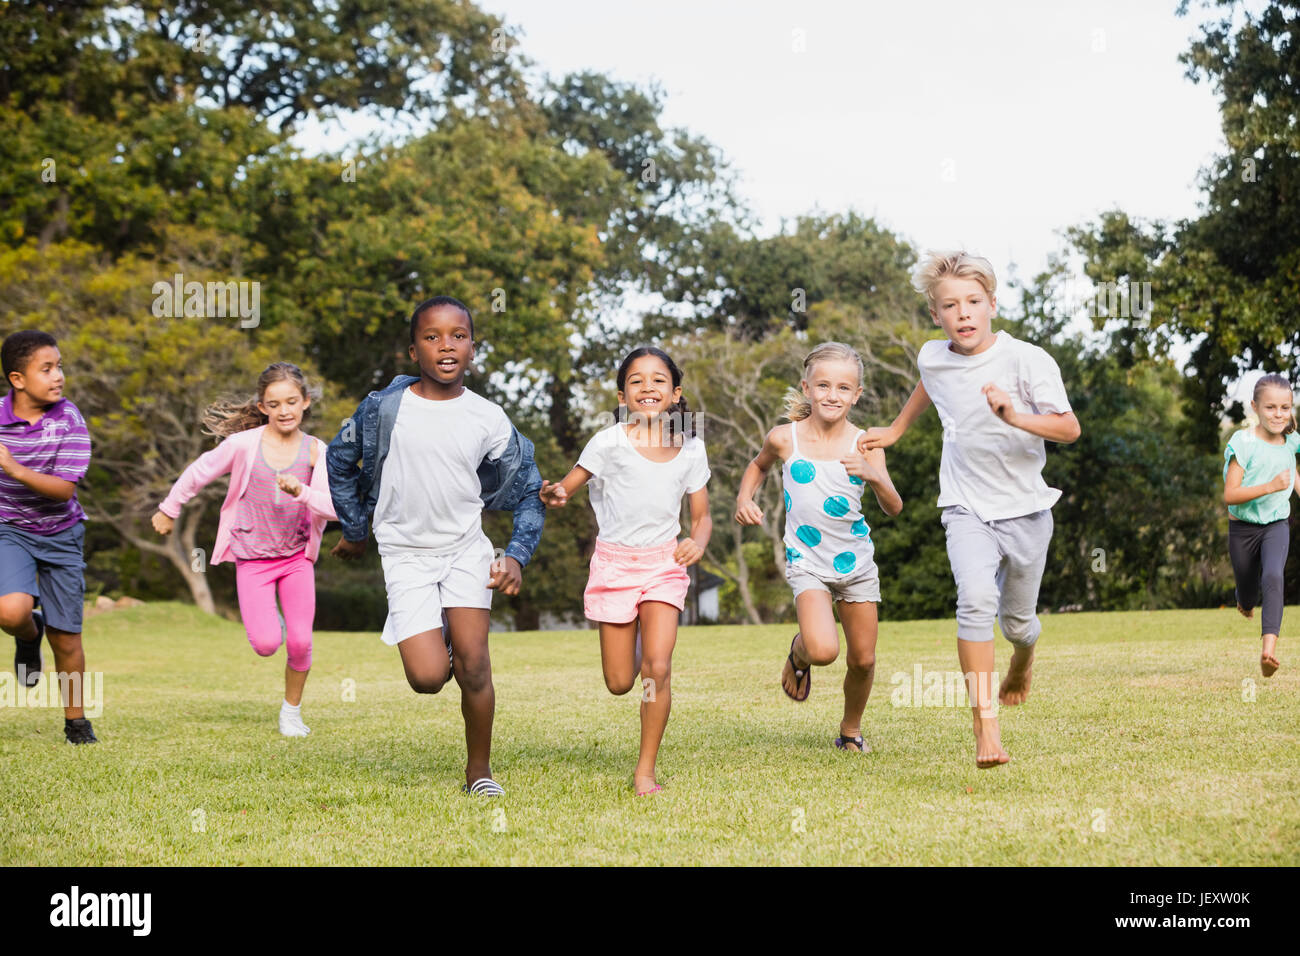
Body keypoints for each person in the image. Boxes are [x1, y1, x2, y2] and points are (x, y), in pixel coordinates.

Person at [863, 250, 1080, 768]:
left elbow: (1069, 429)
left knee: (1018, 625)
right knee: (975, 599)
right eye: (950, 305)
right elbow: (929, 386)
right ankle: (987, 730)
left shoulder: (1027, 359)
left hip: (1026, 510)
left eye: (973, 302)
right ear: (935, 315)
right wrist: (894, 430)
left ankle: (1024, 659)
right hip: (965, 506)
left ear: (992, 305)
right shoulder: (933, 355)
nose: (962, 313)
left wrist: (1014, 414)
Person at [327, 295, 544, 797]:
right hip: (405, 556)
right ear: (412, 350)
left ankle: (479, 773)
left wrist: (515, 555)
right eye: (432, 337)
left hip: (466, 550)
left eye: (458, 336)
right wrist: (356, 530)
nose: (446, 346)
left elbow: (530, 489)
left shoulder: (487, 417)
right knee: (427, 678)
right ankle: (443, 634)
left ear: (472, 348)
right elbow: (339, 462)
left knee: (475, 667)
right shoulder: (382, 409)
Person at [540, 347, 711, 796]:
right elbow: (567, 487)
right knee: (619, 682)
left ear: (675, 394)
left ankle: (645, 772)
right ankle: (635, 630)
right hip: (615, 566)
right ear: (622, 395)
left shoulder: (691, 447)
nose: (648, 388)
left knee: (658, 666)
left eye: (658, 381)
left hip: (664, 566)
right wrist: (554, 493)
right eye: (637, 381)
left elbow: (702, 515)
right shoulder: (607, 442)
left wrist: (698, 539)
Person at [735, 342, 901, 755]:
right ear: (806, 388)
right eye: (824, 385)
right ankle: (800, 650)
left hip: (856, 562)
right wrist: (744, 498)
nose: (833, 395)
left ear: (857, 395)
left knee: (863, 660)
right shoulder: (784, 438)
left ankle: (850, 730)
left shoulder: (867, 444)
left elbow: (894, 506)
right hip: (807, 560)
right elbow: (758, 466)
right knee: (825, 650)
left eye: (844, 388)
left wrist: (874, 477)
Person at [154, 362, 337, 737]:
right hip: (252, 559)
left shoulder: (317, 452)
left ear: (304, 403)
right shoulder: (243, 445)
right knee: (268, 644)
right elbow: (199, 471)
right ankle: (274, 622)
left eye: (291, 401)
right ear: (262, 406)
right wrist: (169, 507)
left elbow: (335, 508)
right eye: (274, 403)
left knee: (301, 641)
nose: (284, 410)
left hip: (296, 558)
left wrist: (300, 492)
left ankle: (291, 712)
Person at [0, 330, 97, 743]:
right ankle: (27, 634)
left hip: (61, 534)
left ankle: (76, 722)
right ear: (17, 379)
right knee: (10, 612)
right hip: (9, 530)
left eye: (59, 366)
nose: (59, 375)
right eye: (47, 368)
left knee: (67, 636)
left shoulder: (69, 419)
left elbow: (64, 489)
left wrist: (14, 468)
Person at [1222, 372, 1298, 677]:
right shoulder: (1243, 442)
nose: (1278, 414)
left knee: (1273, 575)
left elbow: (1292, 471)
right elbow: (1230, 495)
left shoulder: (1292, 440)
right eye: (1270, 408)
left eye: (1285, 407)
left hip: (1276, 524)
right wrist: (1270, 486)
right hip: (1242, 528)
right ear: (1255, 406)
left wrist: (1291, 485)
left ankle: (1268, 652)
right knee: (1248, 591)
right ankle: (1245, 599)